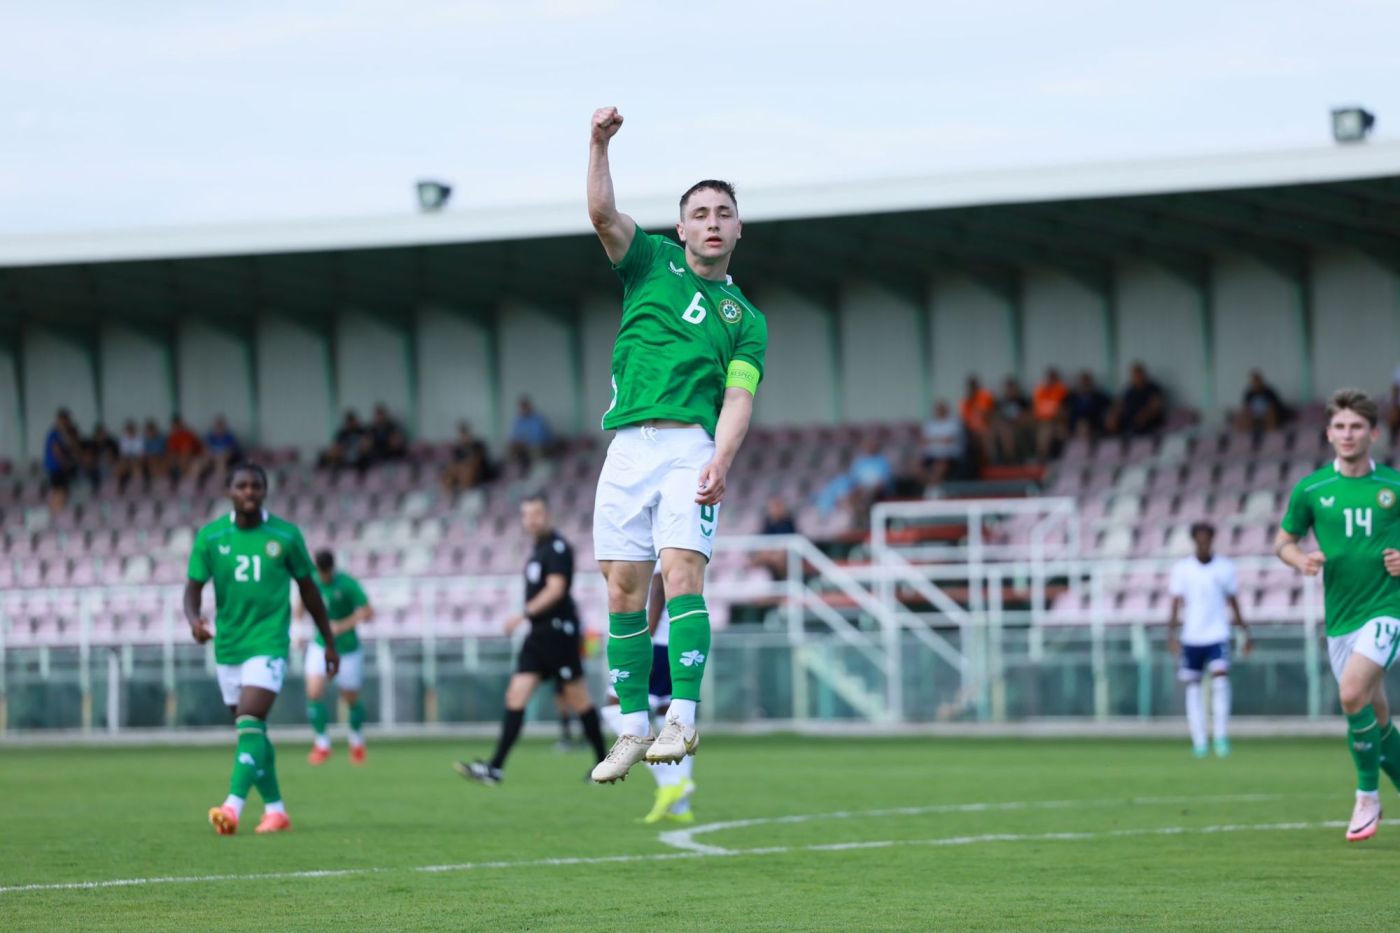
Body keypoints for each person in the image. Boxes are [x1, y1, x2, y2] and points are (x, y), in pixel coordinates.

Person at [585, 105, 767, 784]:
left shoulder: (745, 320)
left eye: (724, 211)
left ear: (737, 228)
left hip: (691, 446)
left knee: (682, 571)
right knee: (623, 586)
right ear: (682, 225)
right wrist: (599, 144)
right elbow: (603, 214)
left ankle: (682, 715)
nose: (713, 221)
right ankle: (632, 728)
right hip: (626, 446)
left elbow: (740, 396)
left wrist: (720, 459)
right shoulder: (649, 261)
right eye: (701, 212)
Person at [185, 463, 337, 835]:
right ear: (229, 492)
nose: (249, 491)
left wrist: (328, 640)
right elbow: (192, 588)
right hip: (229, 644)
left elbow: (310, 591)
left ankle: (231, 808)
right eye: (242, 486)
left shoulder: (285, 536)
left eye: (256, 485)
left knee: (250, 721)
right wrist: (194, 621)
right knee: (252, 731)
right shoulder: (211, 537)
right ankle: (276, 811)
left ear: (265, 491)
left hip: (269, 642)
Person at [1275, 389, 1400, 842]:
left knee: (1351, 696)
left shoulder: (1394, 486)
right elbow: (1283, 540)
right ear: (1329, 434)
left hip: (1388, 609)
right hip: (1341, 617)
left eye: (1357, 426)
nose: (1348, 434)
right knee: (1378, 719)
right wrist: (1299, 559)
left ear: (1374, 433)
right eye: (1340, 427)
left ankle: (1367, 794)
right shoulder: (1312, 489)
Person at [456, 493, 608, 785]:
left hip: (558, 632)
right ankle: (495, 768)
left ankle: (604, 764)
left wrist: (522, 614)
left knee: (579, 699)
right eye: (526, 514)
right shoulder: (538, 549)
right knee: (515, 696)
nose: (532, 519)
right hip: (538, 635)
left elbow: (556, 589)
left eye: (537, 513)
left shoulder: (557, 548)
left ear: (548, 514)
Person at [601, 570, 696, 823]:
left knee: (614, 708)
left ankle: (671, 782)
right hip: (673, 641)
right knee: (673, 719)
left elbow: (659, 587)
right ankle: (680, 806)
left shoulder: (653, 535)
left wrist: (647, 639)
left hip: (655, 643)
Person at [1167, 521, 1252, 758]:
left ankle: (1221, 737)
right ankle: (1199, 740)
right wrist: (1171, 635)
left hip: (1217, 633)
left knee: (1220, 680)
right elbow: (1175, 603)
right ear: (1194, 539)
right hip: (1192, 635)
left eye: (1207, 537)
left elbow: (1233, 600)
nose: (1203, 542)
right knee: (1193, 686)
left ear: (1212, 539)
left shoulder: (1224, 567)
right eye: (1199, 538)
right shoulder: (1182, 569)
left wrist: (1245, 632)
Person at [299, 550, 374, 765]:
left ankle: (357, 742)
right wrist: (296, 628)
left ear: (332, 569)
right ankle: (322, 744)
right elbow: (301, 603)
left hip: (347, 648)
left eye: (326, 572)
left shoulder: (347, 584)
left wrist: (342, 625)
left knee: (350, 697)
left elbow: (368, 611)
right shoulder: (311, 581)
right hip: (320, 645)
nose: (323, 577)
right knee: (314, 691)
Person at [1108, 362, 1166, 437]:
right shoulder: (1129, 391)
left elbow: (1156, 406)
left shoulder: (1153, 389)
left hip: (1148, 421)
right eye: (1134, 375)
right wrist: (1113, 416)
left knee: (1140, 422)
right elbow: (1119, 406)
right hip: (1130, 421)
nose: (1136, 377)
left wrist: (1146, 415)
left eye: (1138, 375)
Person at [750, 496, 798, 581]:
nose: (775, 509)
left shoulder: (788, 522)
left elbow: (790, 541)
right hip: (770, 552)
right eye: (773, 507)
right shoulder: (767, 522)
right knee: (757, 557)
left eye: (778, 506)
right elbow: (763, 540)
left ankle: (783, 581)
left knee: (779, 557)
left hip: (784, 553)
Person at [920, 400, 966, 488]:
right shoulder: (930, 423)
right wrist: (939, 439)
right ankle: (933, 487)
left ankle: (932, 489)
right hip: (932, 454)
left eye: (940, 409)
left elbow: (948, 440)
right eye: (936, 409)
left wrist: (932, 440)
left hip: (950, 455)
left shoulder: (954, 422)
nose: (938, 411)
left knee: (940, 466)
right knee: (917, 469)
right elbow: (923, 440)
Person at [441, 421, 493, 496]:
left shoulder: (478, 445)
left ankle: (464, 493)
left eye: (465, 434)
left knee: (467, 470)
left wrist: (463, 466)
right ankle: (449, 496)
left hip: (480, 474)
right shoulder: (457, 449)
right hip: (460, 474)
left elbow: (477, 462)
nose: (463, 437)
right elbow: (454, 464)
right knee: (448, 474)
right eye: (461, 435)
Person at [990, 377, 1033, 464]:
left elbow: (1029, 416)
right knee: (997, 431)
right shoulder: (1002, 402)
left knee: (1008, 432)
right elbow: (996, 416)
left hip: (1019, 426)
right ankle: (997, 458)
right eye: (1008, 389)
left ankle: (1011, 458)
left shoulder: (1022, 400)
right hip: (1004, 427)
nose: (1010, 391)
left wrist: (1018, 420)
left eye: (1012, 388)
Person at [43, 409, 79, 511]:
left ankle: (57, 513)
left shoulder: (63, 434)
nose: (66, 423)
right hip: (56, 469)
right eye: (64, 421)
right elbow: (57, 451)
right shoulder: (54, 434)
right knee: (60, 493)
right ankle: (55, 513)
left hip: (60, 469)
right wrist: (67, 463)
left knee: (64, 492)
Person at [508, 396, 556, 471]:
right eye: (521, 408)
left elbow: (538, 437)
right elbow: (515, 436)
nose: (523, 410)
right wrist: (516, 442)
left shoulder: (537, 419)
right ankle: (515, 471)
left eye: (524, 407)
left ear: (529, 407)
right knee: (510, 448)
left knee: (534, 449)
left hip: (543, 445)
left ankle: (537, 471)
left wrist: (524, 442)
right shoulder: (518, 420)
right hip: (525, 447)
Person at [1032, 368, 1069, 461]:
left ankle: (1062, 457)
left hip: (1059, 420)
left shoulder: (1061, 389)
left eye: (1053, 378)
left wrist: (1058, 417)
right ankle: (1042, 458)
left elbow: (1064, 407)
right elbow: (1037, 409)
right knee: (1044, 432)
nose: (1051, 380)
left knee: (1061, 432)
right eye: (1049, 377)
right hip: (1044, 421)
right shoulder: (1040, 389)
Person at [1236, 370, 1286, 438]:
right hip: (1254, 416)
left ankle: (1271, 437)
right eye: (1254, 381)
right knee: (1243, 417)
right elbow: (1246, 407)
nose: (1256, 383)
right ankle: (1245, 439)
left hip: (1268, 416)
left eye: (1257, 380)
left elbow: (1276, 407)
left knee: (1270, 413)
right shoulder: (1249, 394)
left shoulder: (1269, 392)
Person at [959, 376, 996, 465]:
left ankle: (992, 460)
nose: (972, 388)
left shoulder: (984, 396)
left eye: (974, 386)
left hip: (986, 426)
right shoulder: (965, 401)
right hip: (971, 430)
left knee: (987, 435)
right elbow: (965, 420)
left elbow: (989, 414)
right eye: (970, 386)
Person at [1065, 370, 1112, 439]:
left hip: (1094, 424)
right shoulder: (1072, 397)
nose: (1084, 385)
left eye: (1086, 382)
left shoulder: (1099, 397)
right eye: (1083, 382)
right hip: (1076, 424)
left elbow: (1110, 405)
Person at [115, 419, 145, 490]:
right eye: (129, 429)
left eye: (132, 429)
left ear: (134, 429)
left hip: (136, 459)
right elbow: (123, 454)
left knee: (137, 469)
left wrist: (133, 460)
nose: (130, 431)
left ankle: (138, 488)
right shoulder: (123, 438)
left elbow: (140, 454)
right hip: (126, 459)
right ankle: (122, 486)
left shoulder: (140, 438)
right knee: (121, 467)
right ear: (126, 430)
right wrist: (127, 461)